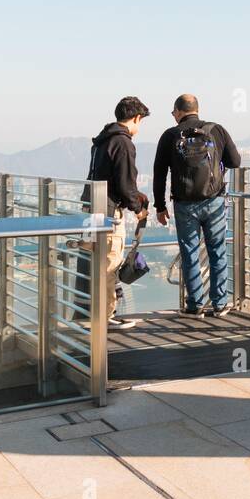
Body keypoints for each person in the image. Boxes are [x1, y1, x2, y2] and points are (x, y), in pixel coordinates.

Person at [153, 94, 241, 316]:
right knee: (217, 251)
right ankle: (220, 304)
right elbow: (235, 161)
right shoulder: (216, 130)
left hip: (184, 205)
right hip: (214, 201)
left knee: (190, 253)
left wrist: (160, 206)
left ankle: (195, 305)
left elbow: (159, 173)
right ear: (197, 109)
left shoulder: (170, 136)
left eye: (173, 112)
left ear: (178, 111)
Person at [79, 96, 151, 330]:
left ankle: (94, 314)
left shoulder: (102, 140)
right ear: (136, 118)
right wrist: (138, 209)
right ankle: (105, 317)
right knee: (109, 265)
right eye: (141, 122)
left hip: (91, 210)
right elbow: (125, 183)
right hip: (108, 213)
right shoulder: (123, 142)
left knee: (96, 264)